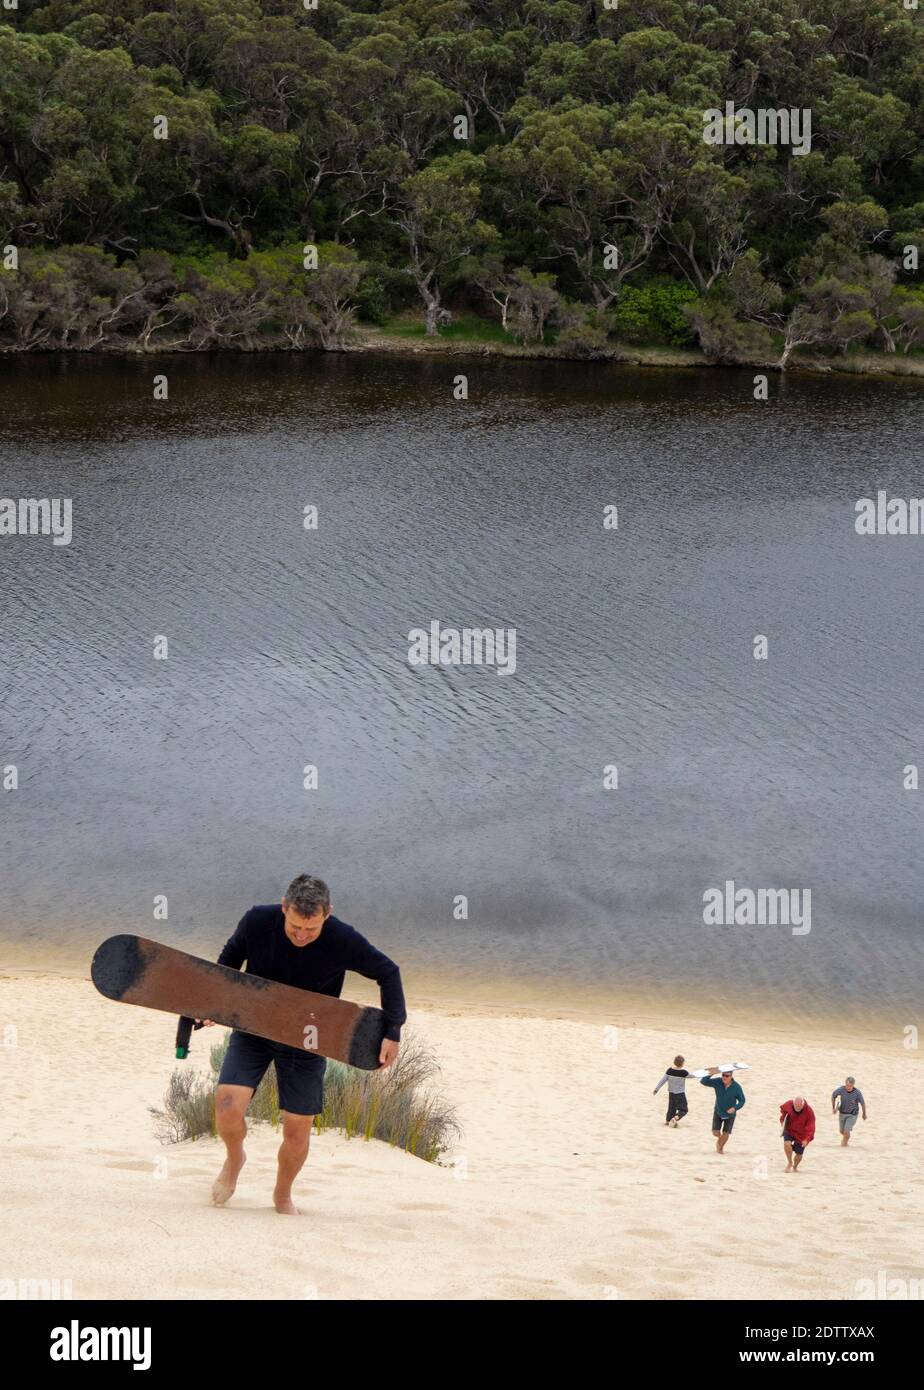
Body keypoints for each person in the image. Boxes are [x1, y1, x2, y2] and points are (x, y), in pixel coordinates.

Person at [204, 873, 406, 1214]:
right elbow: (231, 957)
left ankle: (282, 1195)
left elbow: (388, 972)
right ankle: (235, 1158)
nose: (301, 935)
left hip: (309, 1038)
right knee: (227, 1107)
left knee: (297, 1134)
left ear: (327, 914)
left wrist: (393, 1030)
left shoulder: (343, 939)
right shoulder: (257, 920)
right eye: (295, 926)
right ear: (284, 908)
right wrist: (215, 1003)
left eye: (311, 929)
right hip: (255, 1027)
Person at [700, 1067, 746, 1152]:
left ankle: (720, 1148)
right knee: (715, 1132)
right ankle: (720, 1141)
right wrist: (712, 1073)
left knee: (726, 1133)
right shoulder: (718, 1082)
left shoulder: (736, 1087)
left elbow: (742, 1100)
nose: (724, 1077)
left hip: (730, 1114)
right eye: (723, 1075)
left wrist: (735, 1108)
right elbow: (703, 1082)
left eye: (727, 1076)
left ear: (731, 1076)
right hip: (718, 1111)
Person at [653, 1054, 692, 1126]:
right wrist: (705, 1073)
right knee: (684, 1109)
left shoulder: (669, 1070)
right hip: (680, 1094)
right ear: (682, 1064)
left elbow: (663, 1080)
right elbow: (692, 1076)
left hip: (671, 1093)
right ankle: (676, 1117)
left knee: (671, 1107)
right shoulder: (683, 1072)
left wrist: (656, 1089)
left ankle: (668, 1121)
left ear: (674, 1062)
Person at [779, 1096, 815, 1171]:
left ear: (803, 1105)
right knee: (786, 1144)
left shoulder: (809, 1112)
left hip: (801, 1135)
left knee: (799, 1154)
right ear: (793, 1104)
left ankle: (795, 1167)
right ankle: (789, 1162)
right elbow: (783, 1111)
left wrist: (807, 1139)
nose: (797, 1109)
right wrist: (782, 1121)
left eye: (799, 1108)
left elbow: (811, 1128)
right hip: (789, 1130)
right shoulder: (789, 1104)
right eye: (796, 1107)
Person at [831, 1076, 867, 1146]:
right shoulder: (841, 1089)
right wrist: (833, 1108)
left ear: (853, 1085)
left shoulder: (857, 1093)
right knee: (842, 1131)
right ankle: (846, 1143)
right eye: (847, 1085)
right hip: (842, 1113)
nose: (848, 1087)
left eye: (850, 1086)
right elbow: (833, 1096)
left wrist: (864, 1114)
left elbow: (863, 1104)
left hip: (852, 1114)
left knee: (846, 1131)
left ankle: (844, 1145)